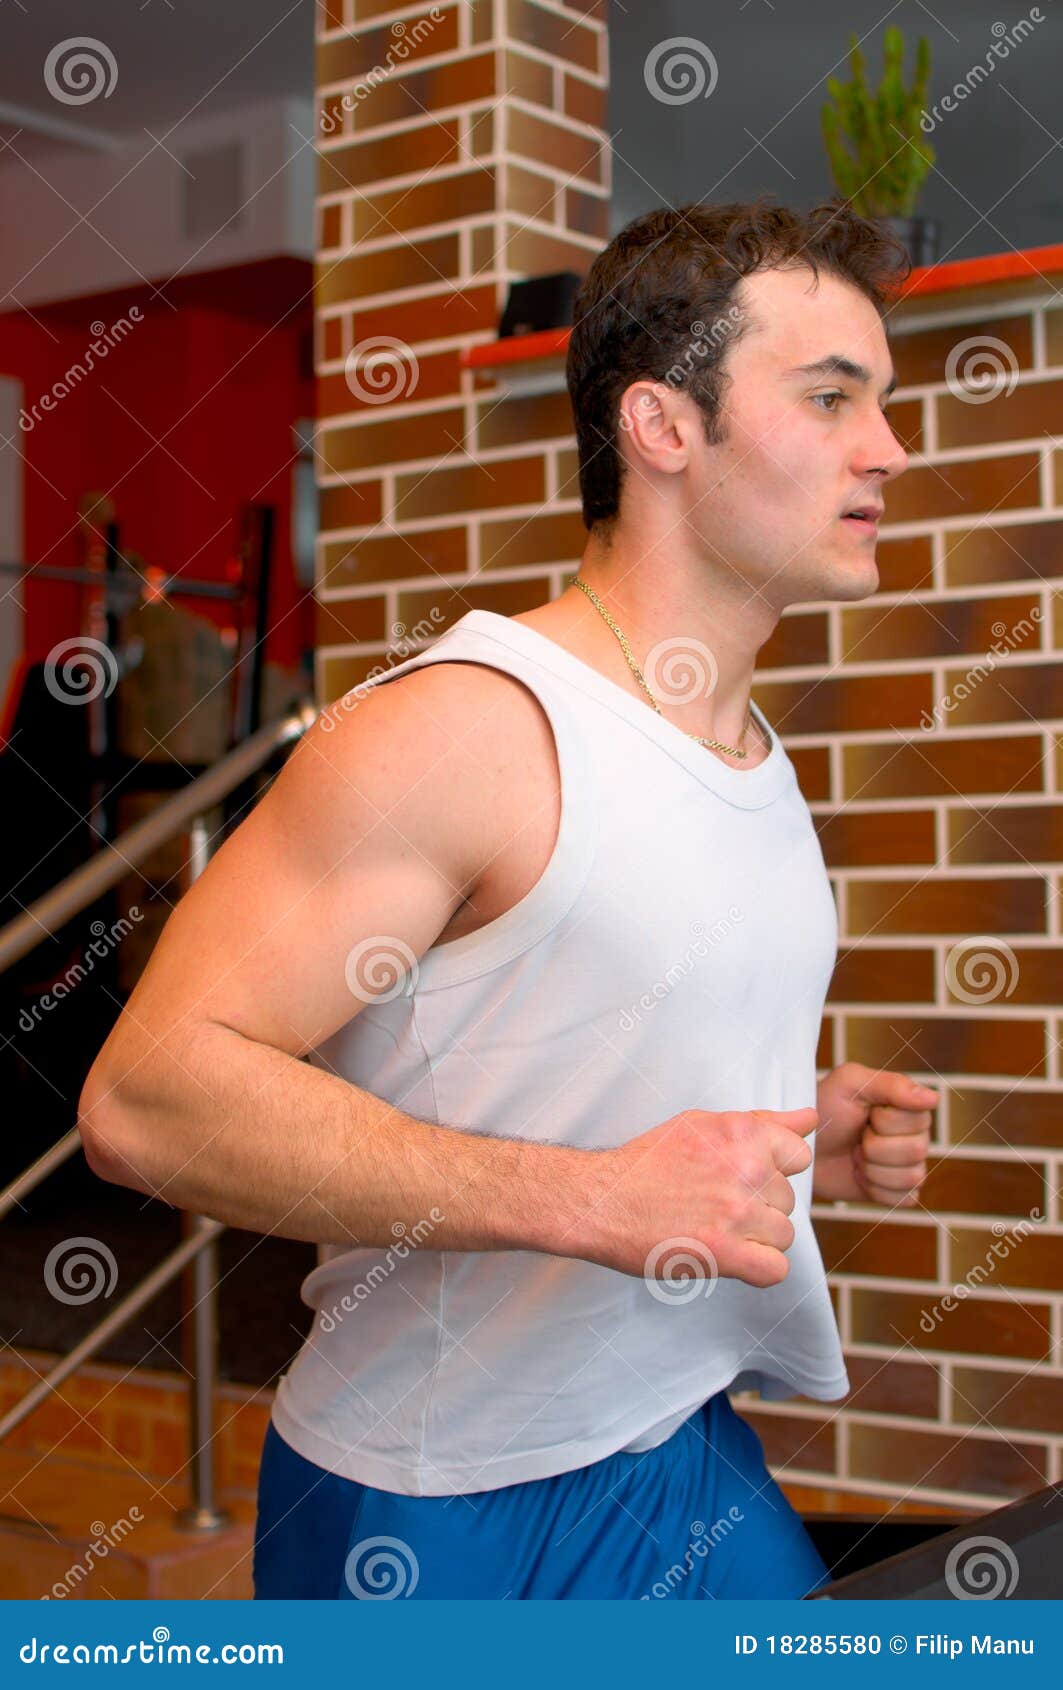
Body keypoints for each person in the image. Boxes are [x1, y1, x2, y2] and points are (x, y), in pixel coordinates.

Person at [78, 196, 938, 1601]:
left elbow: (563, 1043)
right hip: (438, 1503)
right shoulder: (470, 727)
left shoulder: (744, 746)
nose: (888, 448)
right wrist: (594, 1196)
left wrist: (793, 1129)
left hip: (677, 1444)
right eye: (832, 398)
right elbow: (147, 1098)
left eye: (884, 402)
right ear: (663, 427)